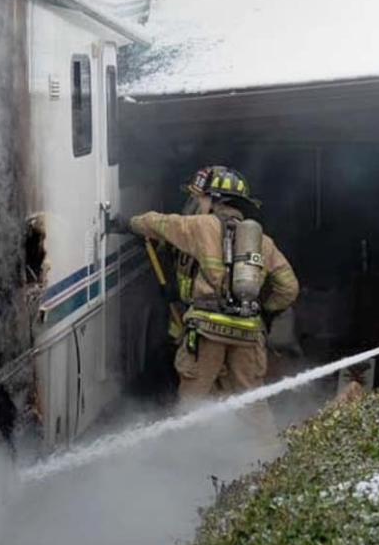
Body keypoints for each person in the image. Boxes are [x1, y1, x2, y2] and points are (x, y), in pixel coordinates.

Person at [111, 166, 299, 399]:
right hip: (248, 332)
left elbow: (158, 223)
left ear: (215, 200)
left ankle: (195, 437)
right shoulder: (264, 242)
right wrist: (266, 314)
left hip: (208, 330)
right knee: (251, 404)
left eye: (201, 198)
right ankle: (265, 437)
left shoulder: (201, 225)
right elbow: (289, 288)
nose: (198, 203)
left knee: (194, 402)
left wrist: (127, 223)